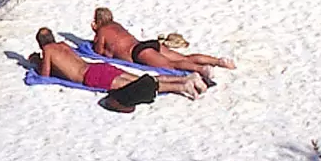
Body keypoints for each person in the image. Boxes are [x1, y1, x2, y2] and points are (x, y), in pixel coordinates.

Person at [33, 28, 202, 110]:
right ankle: (185, 79)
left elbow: (45, 75)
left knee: (137, 85)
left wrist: (36, 62)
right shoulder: (63, 45)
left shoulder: (47, 50)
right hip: (98, 67)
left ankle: (181, 86)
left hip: (91, 76)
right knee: (139, 79)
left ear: (41, 44)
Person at [91, 8, 234, 83]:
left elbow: (98, 52)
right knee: (184, 57)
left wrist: (96, 31)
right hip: (148, 44)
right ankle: (218, 61)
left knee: (171, 65)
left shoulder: (102, 31)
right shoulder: (117, 25)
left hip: (138, 52)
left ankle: (201, 69)